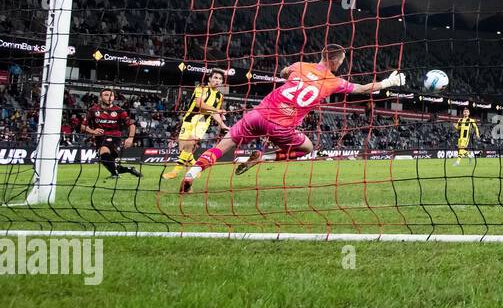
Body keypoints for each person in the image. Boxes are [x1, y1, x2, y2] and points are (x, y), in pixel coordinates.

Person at [181, 44, 404, 193]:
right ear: (335, 62)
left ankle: (193, 173)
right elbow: (363, 89)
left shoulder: (299, 65)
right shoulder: (334, 81)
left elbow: (284, 72)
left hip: (259, 114)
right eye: (342, 61)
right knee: (307, 147)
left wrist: (291, 74)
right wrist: (387, 83)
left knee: (226, 143)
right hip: (282, 127)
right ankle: (264, 158)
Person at [164, 70, 227, 179]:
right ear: (210, 79)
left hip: (203, 121)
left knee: (191, 141)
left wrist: (223, 125)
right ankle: (195, 167)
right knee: (183, 149)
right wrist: (217, 110)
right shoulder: (201, 87)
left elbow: (213, 113)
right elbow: (199, 104)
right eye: (215, 78)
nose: (217, 80)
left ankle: (175, 172)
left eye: (220, 79)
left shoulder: (219, 96)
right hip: (189, 119)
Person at [81, 88, 141, 179]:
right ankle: (130, 169)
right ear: (100, 97)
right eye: (106, 95)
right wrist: (93, 131)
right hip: (99, 139)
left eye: (111, 95)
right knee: (108, 162)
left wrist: (130, 138)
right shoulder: (93, 110)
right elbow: (83, 126)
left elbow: (132, 125)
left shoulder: (119, 111)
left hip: (114, 137)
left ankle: (115, 175)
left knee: (104, 151)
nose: (109, 97)